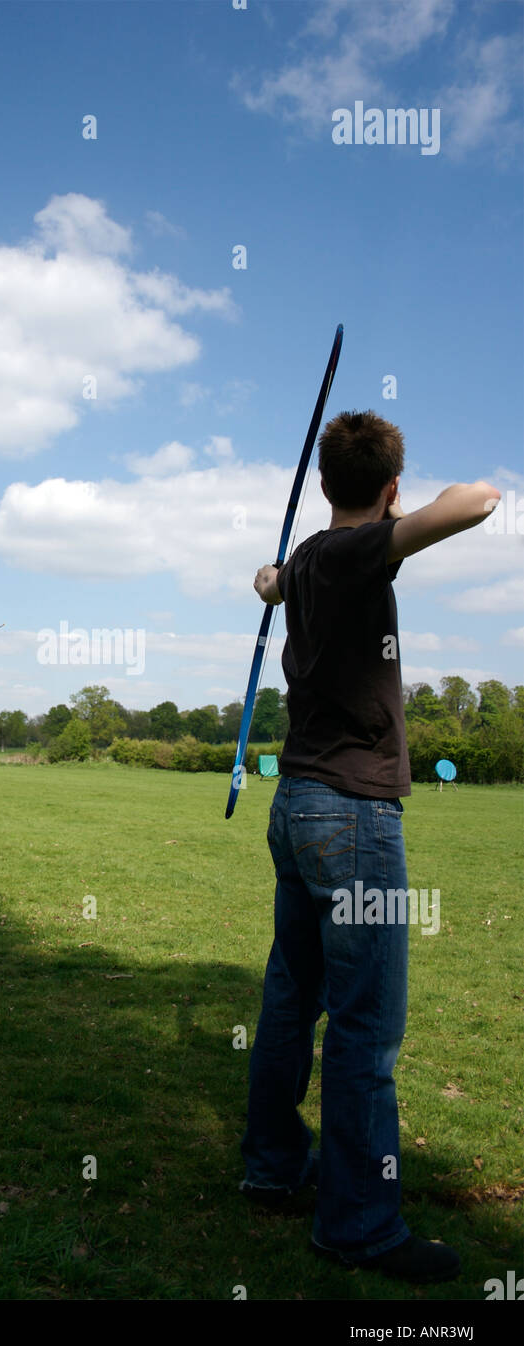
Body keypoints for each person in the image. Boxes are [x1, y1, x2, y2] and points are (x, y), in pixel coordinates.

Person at [238, 408, 500, 1284]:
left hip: (297, 807)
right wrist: (394, 518)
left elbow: (269, 582)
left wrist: (269, 580)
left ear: (320, 485)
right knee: (363, 1026)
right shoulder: (356, 551)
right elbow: (478, 502)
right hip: (351, 816)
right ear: (389, 488)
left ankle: (273, 1169)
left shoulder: (309, 558)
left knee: (291, 997)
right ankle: (356, 1224)